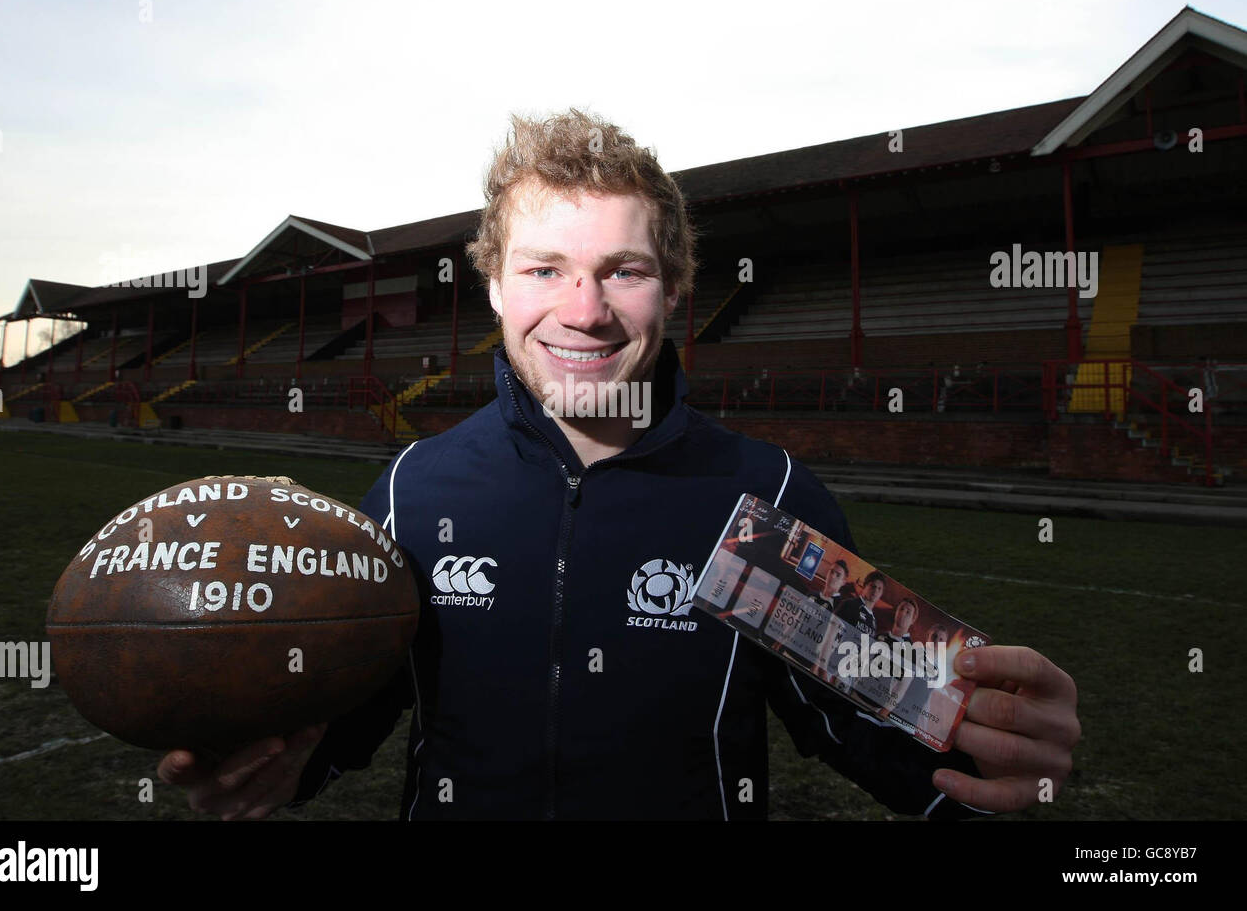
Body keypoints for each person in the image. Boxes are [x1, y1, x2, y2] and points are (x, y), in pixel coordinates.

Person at [158, 108, 1080, 820]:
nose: (584, 309)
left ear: (674, 288)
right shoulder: (414, 488)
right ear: (492, 283)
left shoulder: (764, 499)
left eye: (623, 271)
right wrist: (286, 755)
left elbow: (883, 723)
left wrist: (998, 745)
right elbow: (357, 708)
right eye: (545, 268)